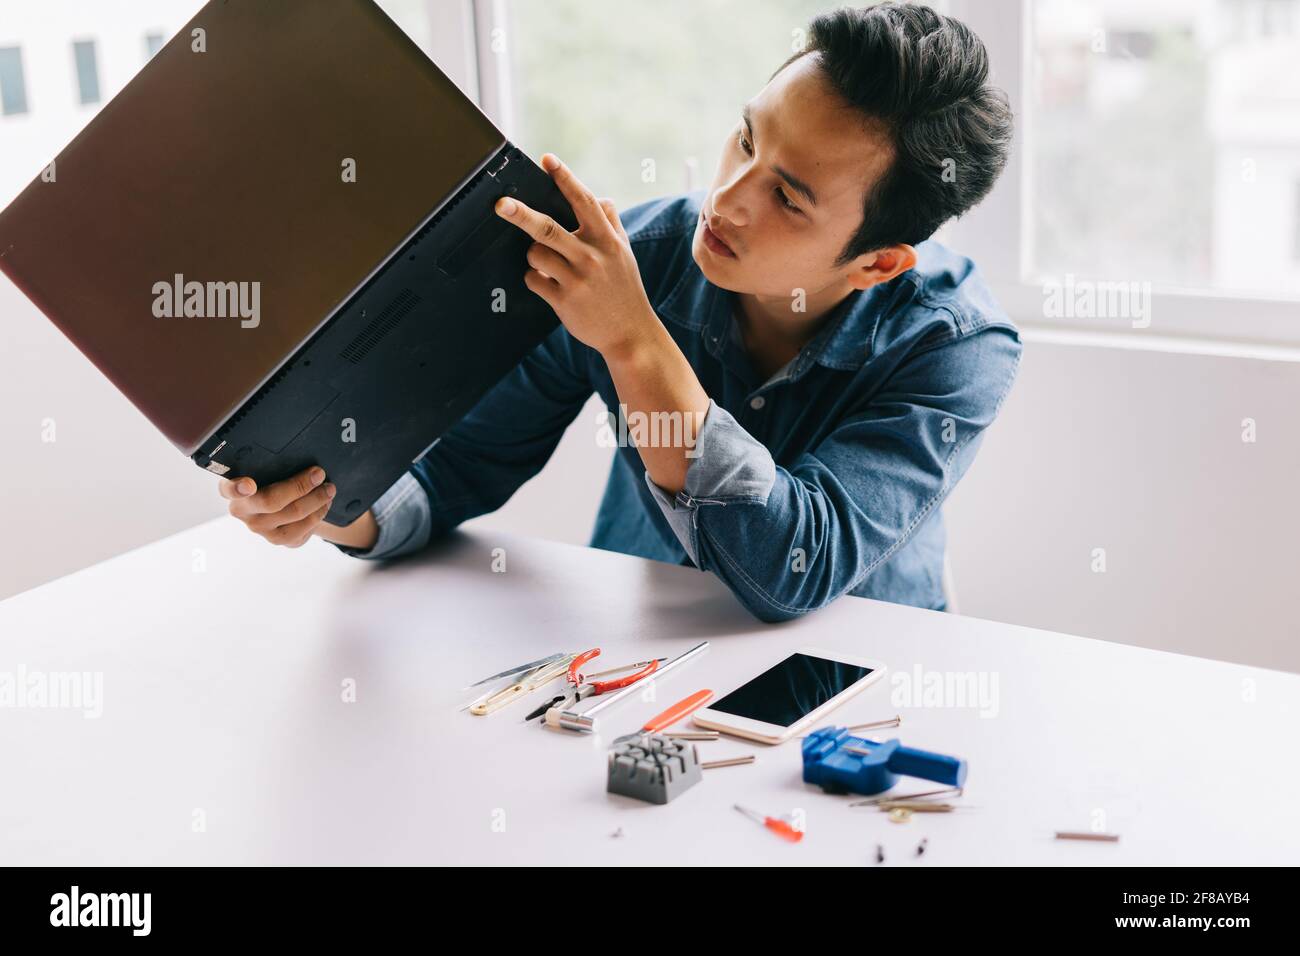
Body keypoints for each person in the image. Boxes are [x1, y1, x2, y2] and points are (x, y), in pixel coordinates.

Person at [220, 2, 1020, 622]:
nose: (729, 198)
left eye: (786, 195)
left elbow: (792, 565)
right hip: (634, 662)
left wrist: (634, 339)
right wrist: (330, 502)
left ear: (879, 262)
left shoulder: (957, 347)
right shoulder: (643, 255)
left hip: (862, 683)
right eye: (747, 138)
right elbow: (451, 471)